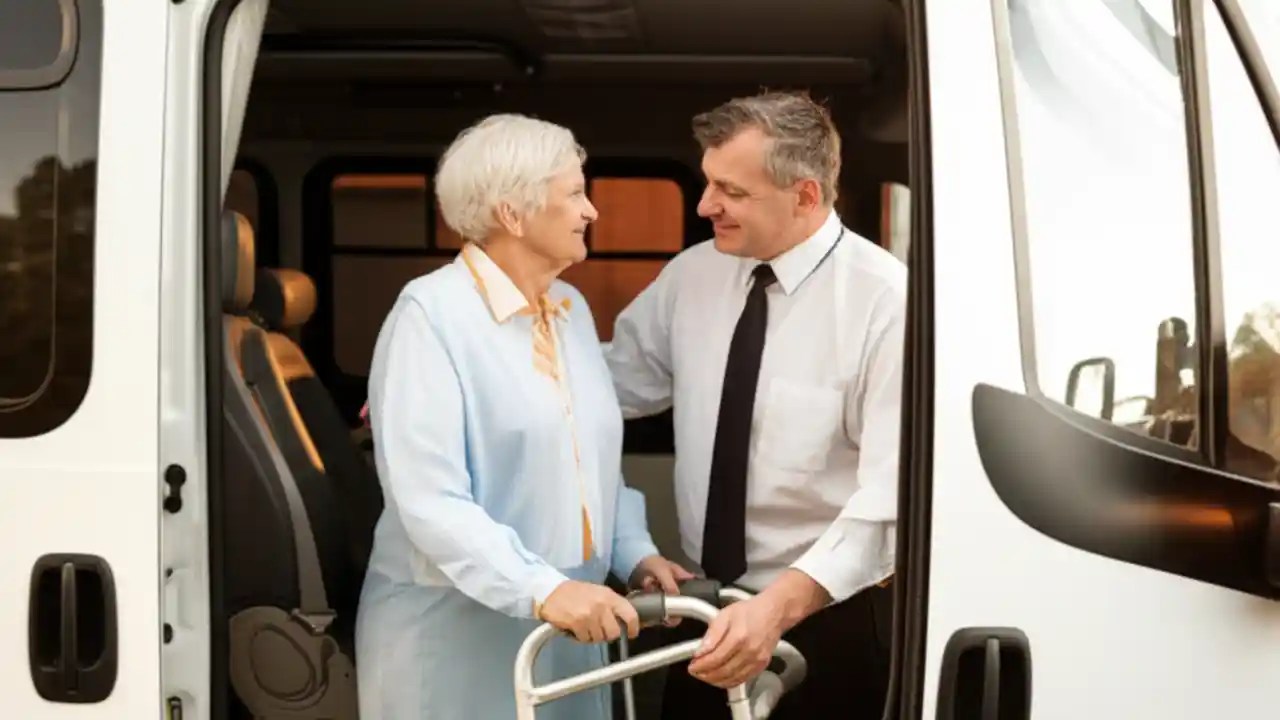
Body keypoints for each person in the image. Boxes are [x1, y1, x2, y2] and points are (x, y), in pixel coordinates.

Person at [355, 113, 692, 720]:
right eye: (574, 194)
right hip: (456, 635)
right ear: (513, 214)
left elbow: (590, 463)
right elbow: (430, 500)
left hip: (567, 628)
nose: (590, 211)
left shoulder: (569, 308)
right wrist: (547, 590)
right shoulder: (429, 317)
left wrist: (635, 554)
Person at [605, 91, 906, 719]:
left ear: (805, 195)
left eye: (732, 192)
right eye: (709, 183)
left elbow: (889, 501)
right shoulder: (693, 276)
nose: (705, 205)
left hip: (829, 621)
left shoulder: (887, 305)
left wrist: (776, 610)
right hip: (703, 615)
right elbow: (608, 388)